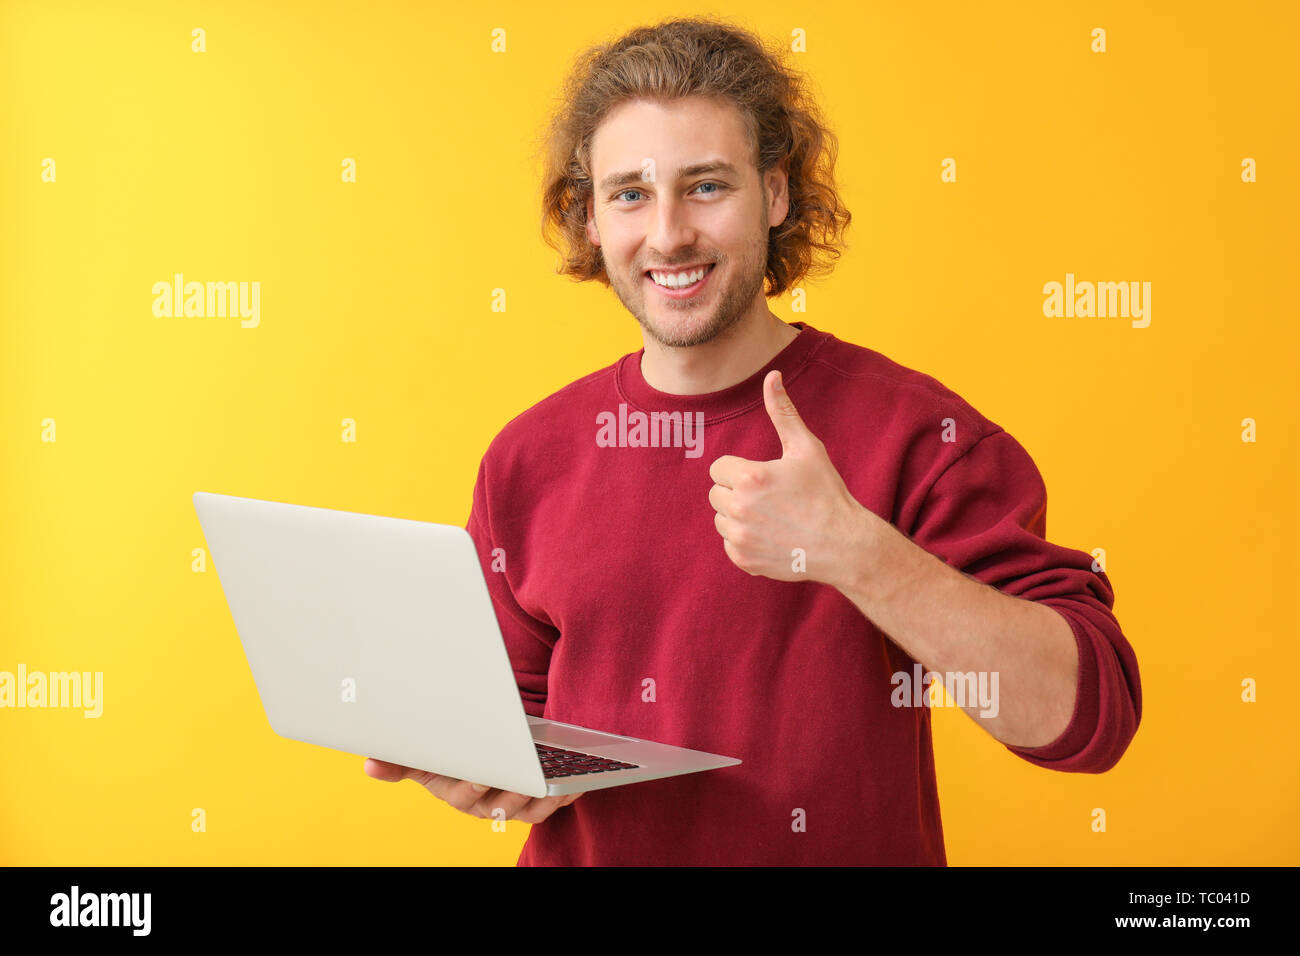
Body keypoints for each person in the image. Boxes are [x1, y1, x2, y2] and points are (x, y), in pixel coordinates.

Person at [365, 16, 1141, 865]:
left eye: (705, 186)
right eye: (629, 193)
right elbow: (510, 720)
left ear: (774, 194)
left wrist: (857, 552)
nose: (667, 234)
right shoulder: (528, 456)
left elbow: (1088, 718)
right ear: (590, 219)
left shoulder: (922, 433)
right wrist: (476, 769)